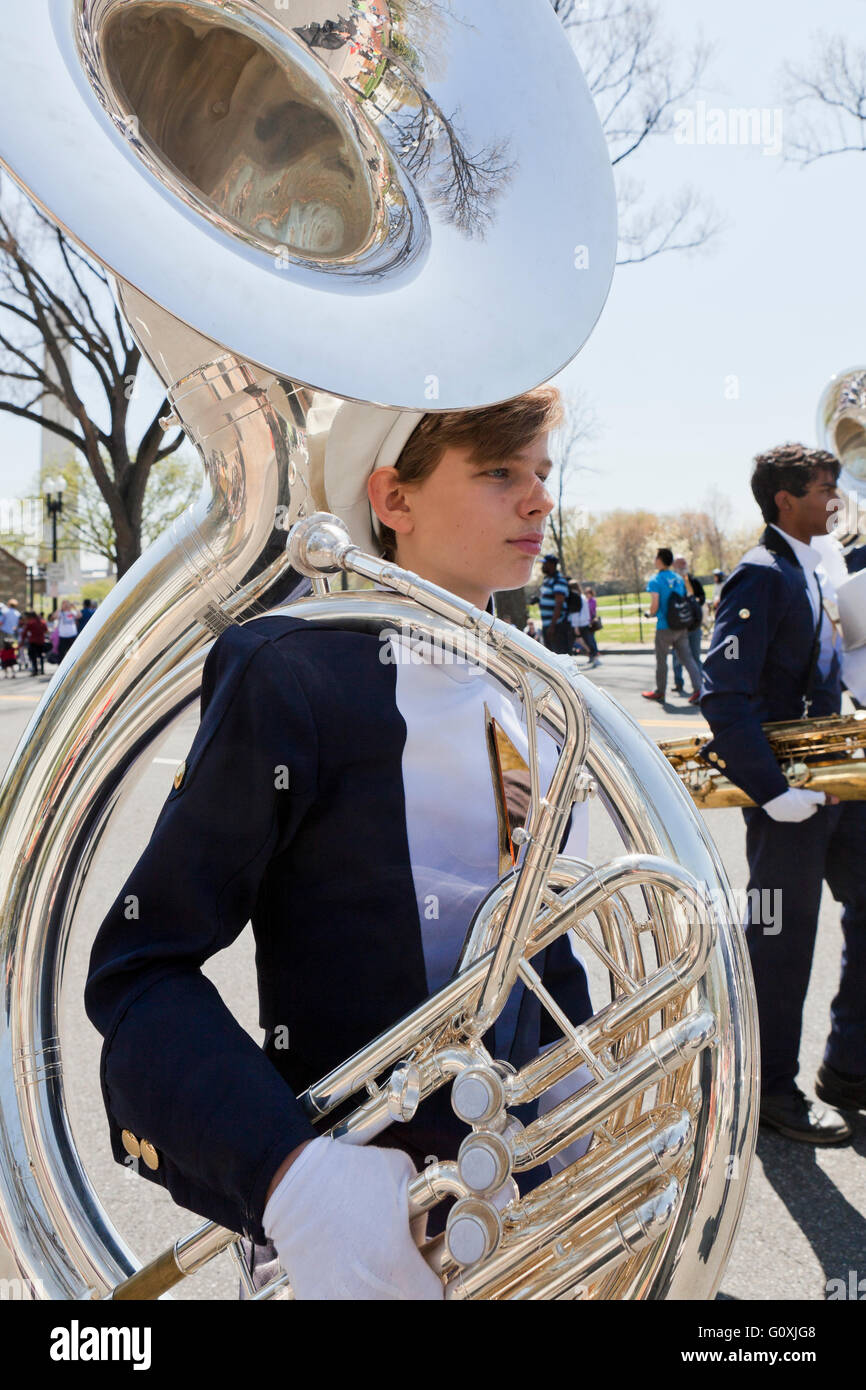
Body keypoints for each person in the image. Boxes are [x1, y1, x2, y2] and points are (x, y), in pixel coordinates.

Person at [84, 387, 596, 1301]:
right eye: (499, 474)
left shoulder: (535, 695)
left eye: (542, 474)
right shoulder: (292, 671)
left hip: (522, 1206)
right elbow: (139, 970)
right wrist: (292, 1178)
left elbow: (531, 931)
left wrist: (579, 1095)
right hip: (354, 1230)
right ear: (392, 501)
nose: (539, 501)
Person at [701, 443, 866, 1143]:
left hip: (834, 789)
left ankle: (849, 1066)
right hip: (789, 797)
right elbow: (724, 696)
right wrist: (770, 793)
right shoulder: (761, 575)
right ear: (785, 500)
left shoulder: (816, 568)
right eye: (827, 487)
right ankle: (767, 1091)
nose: (838, 497)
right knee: (781, 943)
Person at [640, 548, 702, 704]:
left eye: (656, 557)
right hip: (680, 626)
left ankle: (660, 692)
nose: (655, 559)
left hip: (664, 627)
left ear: (660, 560)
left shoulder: (655, 580)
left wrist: (649, 613)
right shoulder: (678, 579)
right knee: (688, 659)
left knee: (661, 660)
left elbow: (655, 605)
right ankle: (699, 689)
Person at [671, 556, 704, 693]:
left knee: (695, 657)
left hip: (693, 626)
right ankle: (679, 683)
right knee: (676, 658)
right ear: (674, 565)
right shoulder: (671, 582)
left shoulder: (694, 581)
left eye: (684, 563)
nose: (683, 566)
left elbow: (701, 598)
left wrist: (693, 601)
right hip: (678, 627)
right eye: (680, 564)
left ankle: (700, 686)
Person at [538, 553, 571, 653]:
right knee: (550, 657)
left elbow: (559, 604)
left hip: (557, 626)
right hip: (547, 625)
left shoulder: (559, 580)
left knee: (559, 656)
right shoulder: (547, 580)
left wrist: (552, 626)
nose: (542, 566)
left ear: (552, 565)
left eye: (545, 564)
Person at [21, 610, 48, 676]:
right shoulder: (42, 622)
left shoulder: (30, 623)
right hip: (41, 640)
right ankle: (42, 670)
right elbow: (46, 630)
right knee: (41, 655)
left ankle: (35, 670)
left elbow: (24, 633)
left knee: (33, 656)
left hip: (33, 641)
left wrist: (22, 641)